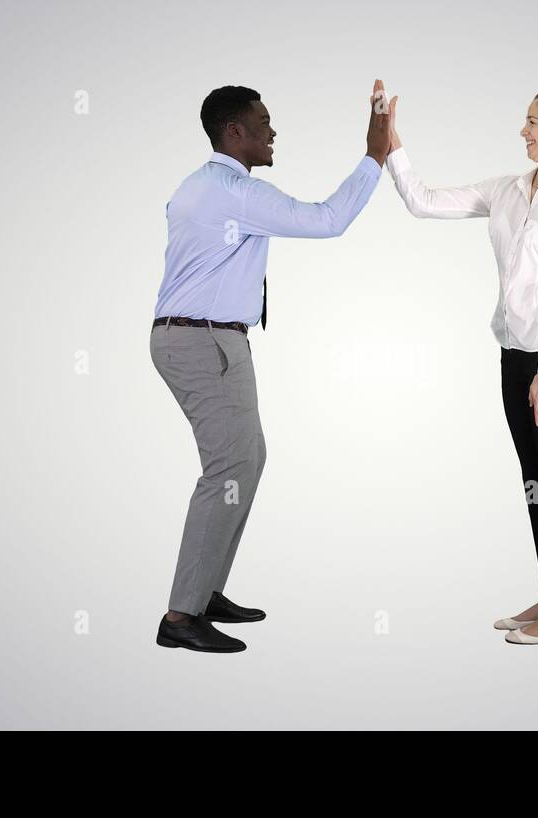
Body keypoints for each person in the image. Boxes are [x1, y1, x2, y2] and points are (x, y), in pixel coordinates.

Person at [151, 81, 392, 653]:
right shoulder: (231, 189)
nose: (273, 130)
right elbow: (328, 219)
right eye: (263, 122)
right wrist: (375, 156)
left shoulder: (201, 186)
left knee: (246, 460)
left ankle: (205, 590)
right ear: (234, 132)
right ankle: (181, 617)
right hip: (203, 342)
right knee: (229, 468)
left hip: (204, 339)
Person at [383, 84, 538, 645]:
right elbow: (424, 201)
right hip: (512, 356)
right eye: (525, 121)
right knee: (533, 480)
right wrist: (391, 140)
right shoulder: (505, 190)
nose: (523, 131)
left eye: (533, 122)